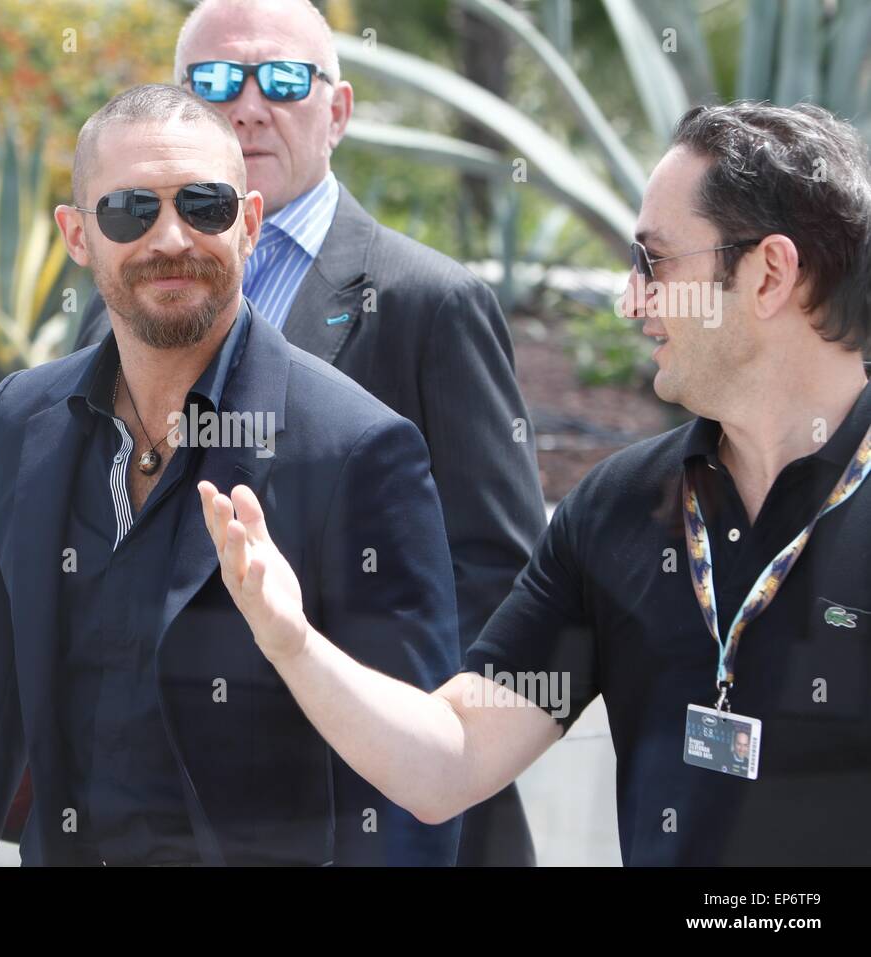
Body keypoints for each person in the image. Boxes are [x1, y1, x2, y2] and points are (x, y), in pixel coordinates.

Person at [199, 101, 871, 865]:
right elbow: (451, 757)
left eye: (655, 263)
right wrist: (294, 641)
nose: (631, 300)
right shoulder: (621, 508)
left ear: (770, 273)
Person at [0, 83, 463, 866]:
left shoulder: (357, 448)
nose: (171, 238)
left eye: (204, 206)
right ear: (78, 235)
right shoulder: (23, 420)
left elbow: (410, 780)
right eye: (130, 210)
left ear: (250, 223)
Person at [69, 0, 546, 866]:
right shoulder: (117, 310)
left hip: (360, 815)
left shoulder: (428, 305)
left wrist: (368, 721)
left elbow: (499, 576)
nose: (248, 103)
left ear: (339, 111)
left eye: (285, 79)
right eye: (214, 80)